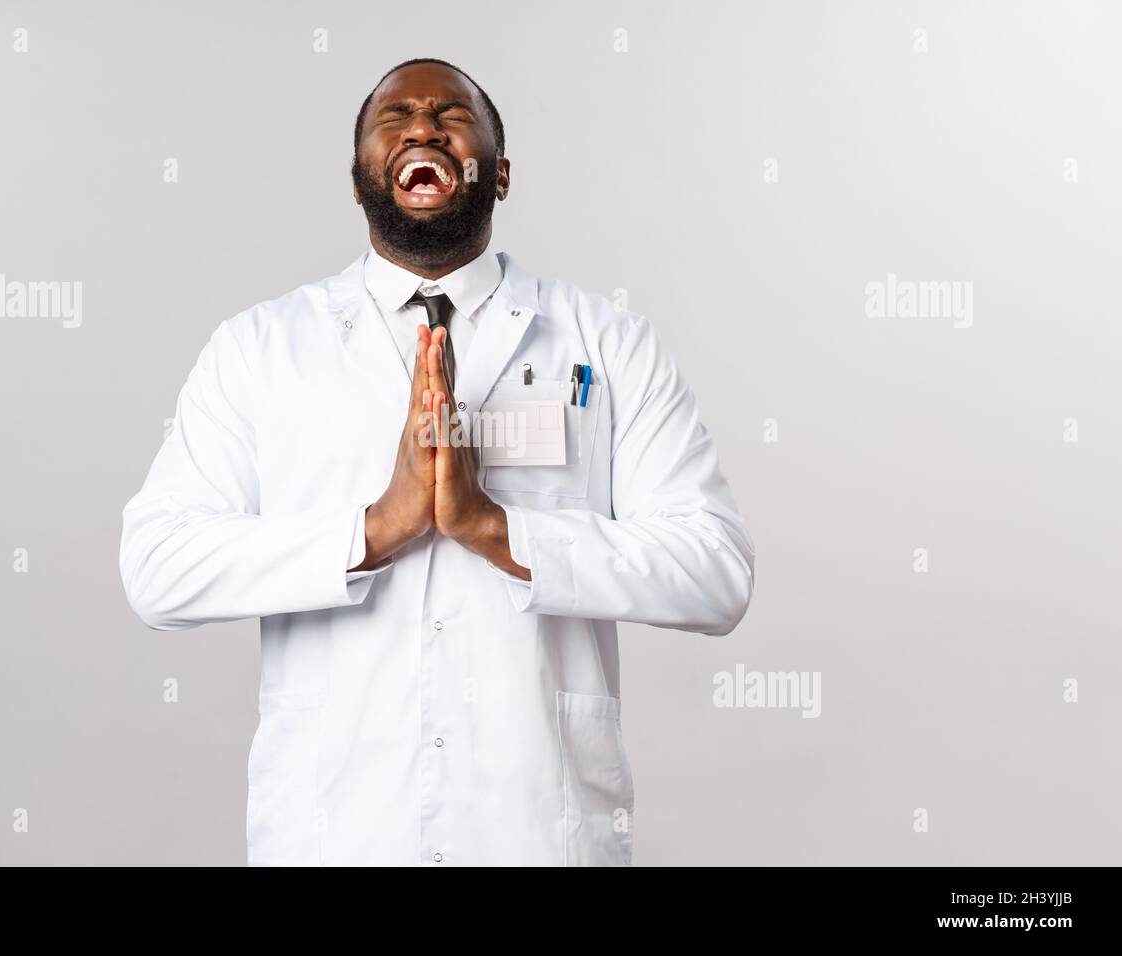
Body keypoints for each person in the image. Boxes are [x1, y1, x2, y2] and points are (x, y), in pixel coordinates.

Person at [119, 58, 755, 866]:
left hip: (539, 830)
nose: (422, 127)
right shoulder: (261, 348)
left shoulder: (608, 342)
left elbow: (716, 573)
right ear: (359, 181)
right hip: (334, 829)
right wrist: (373, 531)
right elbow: (157, 568)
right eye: (396, 118)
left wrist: (497, 532)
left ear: (501, 173)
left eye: (452, 115)